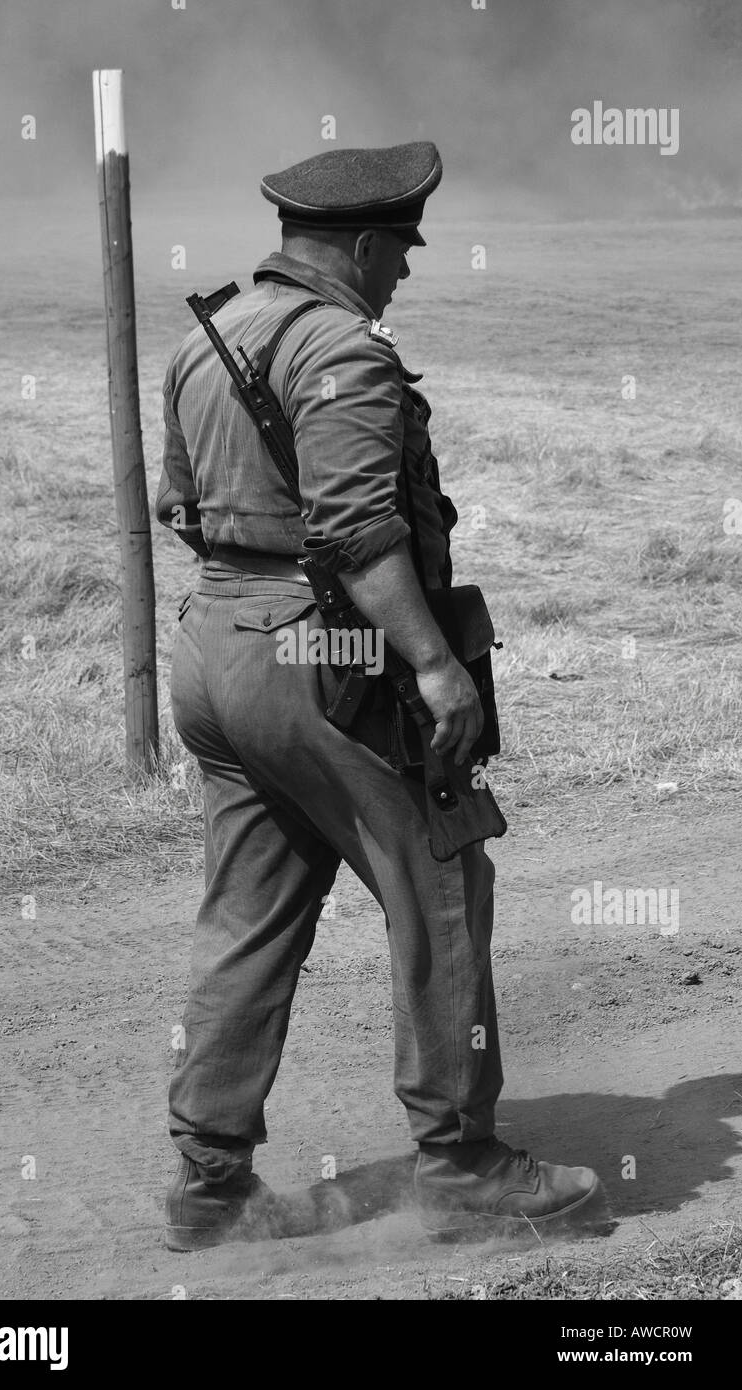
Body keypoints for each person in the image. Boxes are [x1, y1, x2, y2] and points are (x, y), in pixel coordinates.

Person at [156, 141, 605, 1249]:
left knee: (249, 913)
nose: (407, 265)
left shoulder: (204, 340)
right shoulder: (343, 350)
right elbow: (358, 528)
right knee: (443, 871)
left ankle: (209, 1186)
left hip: (214, 648)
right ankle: (462, 1164)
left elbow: (180, 505)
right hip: (320, 654)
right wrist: (435, 662)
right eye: (400, 246)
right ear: (359, 245)